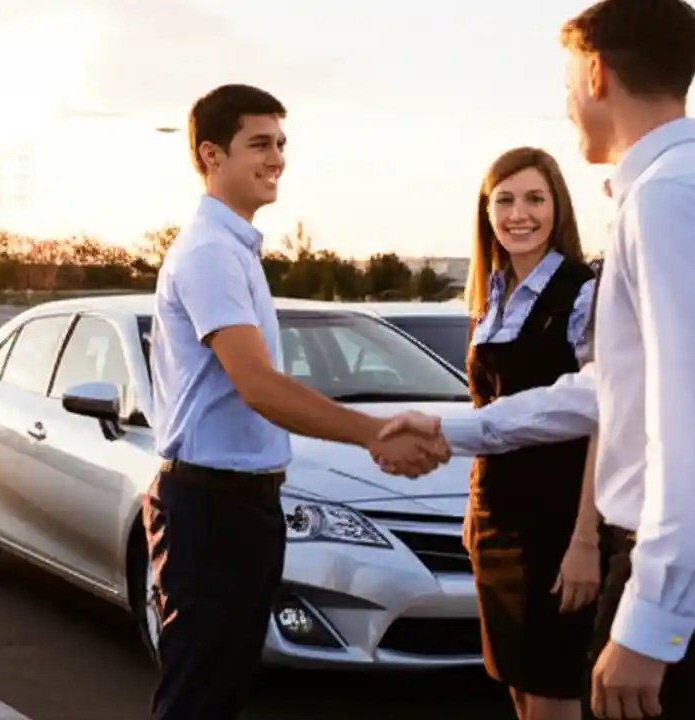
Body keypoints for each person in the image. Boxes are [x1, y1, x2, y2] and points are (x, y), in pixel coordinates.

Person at [380, 1, 695, 717]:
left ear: (597, 73)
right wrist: (454, 432)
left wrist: (651, 622)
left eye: (569, 80)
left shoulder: (671, 199)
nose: (568, 102)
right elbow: (609, 389)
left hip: (672, 575)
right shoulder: (680, 189)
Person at [144, 83, 449, 720]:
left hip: (239, 504)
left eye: (281, 143)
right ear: (210, 154)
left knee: (221, 688)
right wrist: (372, 433)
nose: (276, 157)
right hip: (211, 507)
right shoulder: (208, 252)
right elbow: (258, 385)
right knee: (199, 695)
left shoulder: (236, 249)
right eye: (259, 143)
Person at [461, 146, 601, 720]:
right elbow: (484, 412)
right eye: (505, 200)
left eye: (535, 199)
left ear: (557, 207)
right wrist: (472, 513)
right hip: (495, 521)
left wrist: (586, 540)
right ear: (487, 212)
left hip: (557, 524)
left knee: (552, 695)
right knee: (517, 688)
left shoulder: (583, 290)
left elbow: (603, 418)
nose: (520, 214)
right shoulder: (488, 297)